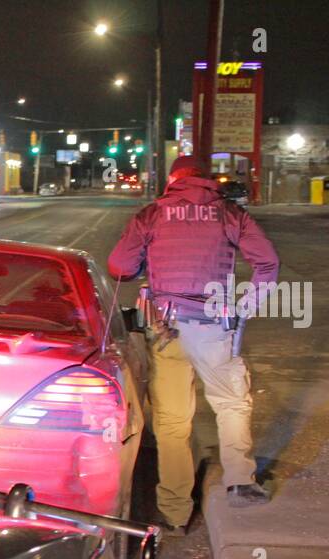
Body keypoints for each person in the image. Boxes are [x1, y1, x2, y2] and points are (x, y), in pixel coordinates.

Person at [108, 156, 280, 534]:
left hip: (164, 326)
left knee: (171, 421)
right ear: (206, 181)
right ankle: (240, 482)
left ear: (172, 181)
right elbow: (267, 263)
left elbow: (119, 266)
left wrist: (143, 264)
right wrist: (244, 309)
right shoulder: (228, 214)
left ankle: (174, 511)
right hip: (214, 324)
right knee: (231, 402)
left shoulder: (151, 215)